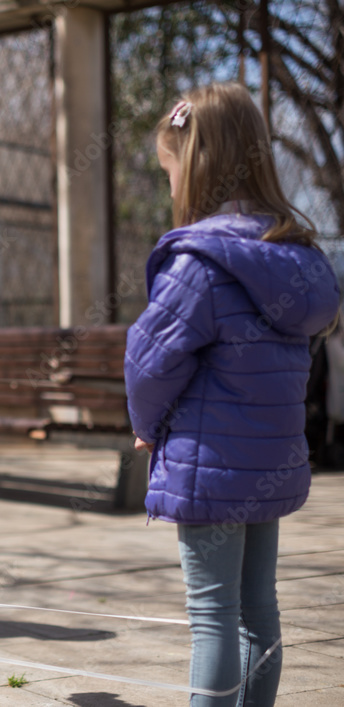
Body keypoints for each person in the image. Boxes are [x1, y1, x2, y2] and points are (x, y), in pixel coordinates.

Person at [124, 82, 340, 706]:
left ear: (194, 169)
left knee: (213, 612)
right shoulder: (295, 257)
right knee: (258, 607)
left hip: (208, 466)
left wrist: (147, 422)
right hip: (269, 462)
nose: (170, 187)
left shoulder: (201, 263)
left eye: (170, 171)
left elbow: (149, 360)